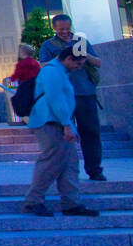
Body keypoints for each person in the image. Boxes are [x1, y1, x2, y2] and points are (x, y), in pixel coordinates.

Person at [23, 43, 99, 217]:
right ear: (69, 58)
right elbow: (55, 99)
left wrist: (69, 125)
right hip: (49, 123)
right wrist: (67, 124)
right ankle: (33, 201)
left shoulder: (60, 72)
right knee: (50, 162)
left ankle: (71, 203)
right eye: (78, 64)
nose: (79, 68)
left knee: (70, 164)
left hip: (58, 122)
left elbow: (61, 101)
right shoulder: (52, 71)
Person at [39, 14, 106, 181]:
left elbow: (98, 62)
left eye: (67, 28)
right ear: (54, 28)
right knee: (63, 135)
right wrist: (60, 58)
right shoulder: (48, 45)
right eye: (61, 29)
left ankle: (95, 170)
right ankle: (65, 172)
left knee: (91, 132)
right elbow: (42, 66)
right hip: (61, 96)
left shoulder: (80, 42)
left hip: (85, 93)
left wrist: (85, 55)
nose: (64, 32)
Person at [7, 43, 42, 121]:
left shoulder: (22, 63)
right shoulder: (35, 62)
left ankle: (27, 117)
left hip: (25, 85)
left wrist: (11, 79)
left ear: (22, 53)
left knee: (21, 100)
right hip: (35, 84)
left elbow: (17, 73)